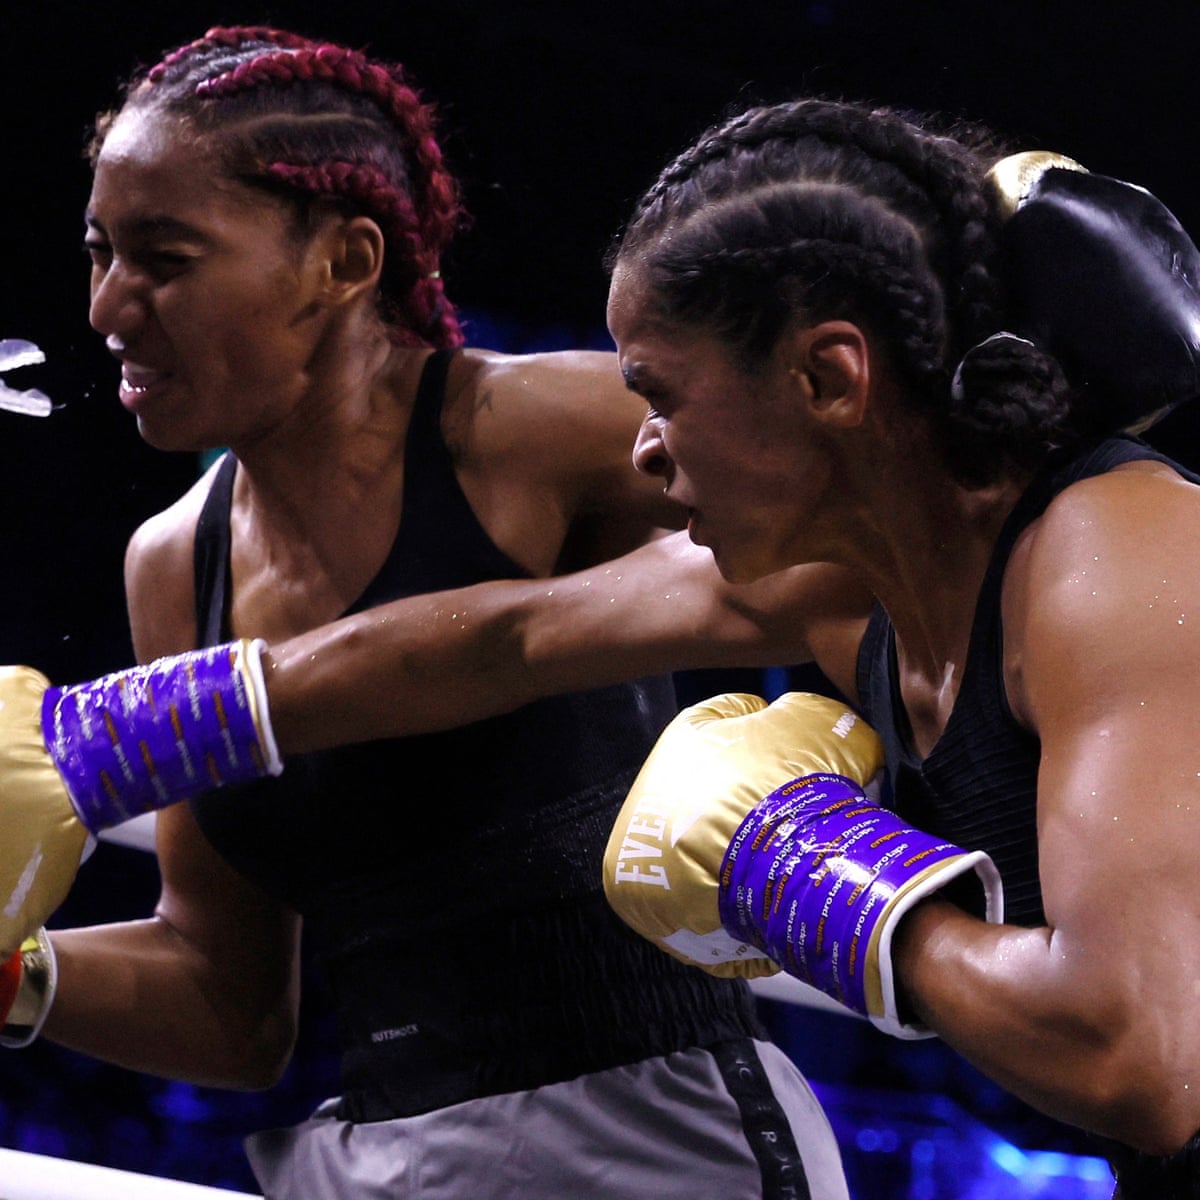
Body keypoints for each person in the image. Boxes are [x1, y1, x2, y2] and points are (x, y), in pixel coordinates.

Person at [0, 25, 852, 1200]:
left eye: (166, 258)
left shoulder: (534, 431)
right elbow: (226, 1003)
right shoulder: (173, 564)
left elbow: (867, 523)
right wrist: (11, 973)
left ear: (345, 262)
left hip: (652, 1136)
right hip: (380, 1157)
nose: (109, 306)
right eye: (100, 252)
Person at [595, 96, 1200, 1198]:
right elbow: (509, 634)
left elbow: (1142, 1056)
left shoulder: (1117, 550)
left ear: (827, 379)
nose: (640, 449)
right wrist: (229, 706)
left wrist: (810, 871)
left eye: (658, 395)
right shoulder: (868, 601)